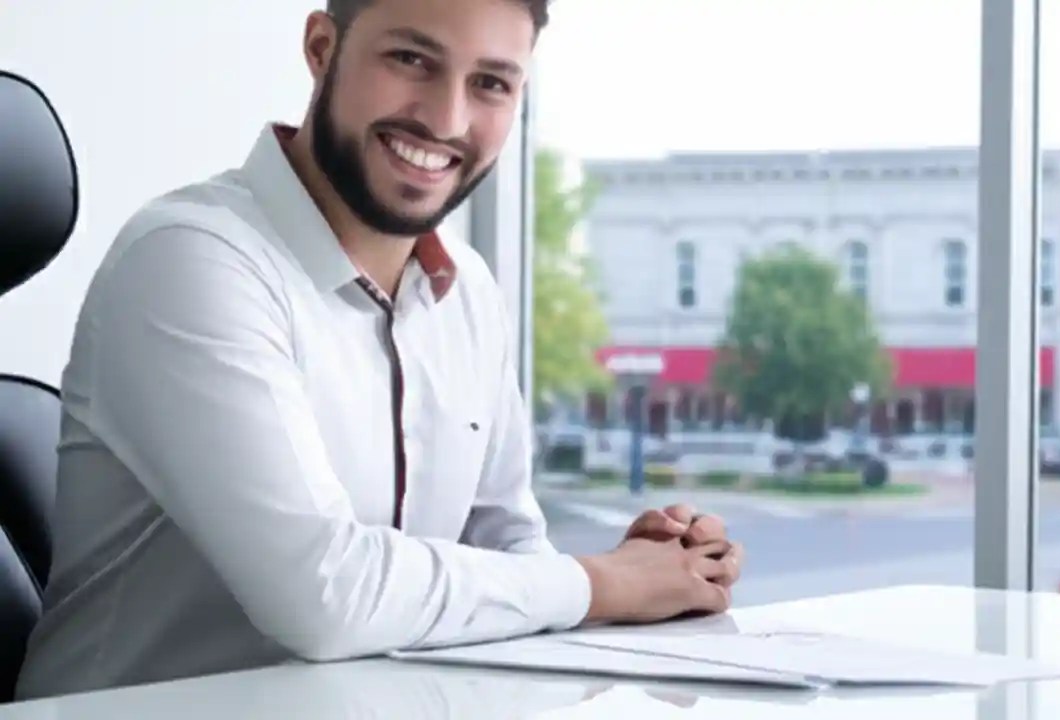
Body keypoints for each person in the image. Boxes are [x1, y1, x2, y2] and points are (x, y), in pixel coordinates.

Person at [16, 0, 744, 700]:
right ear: (321, 50)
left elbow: (506, 551)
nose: (448, 118)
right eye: (411, 59)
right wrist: (605, 582)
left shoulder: (469, 294)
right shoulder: (190, 262)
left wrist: (654, 574)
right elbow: (322, 594)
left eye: (490, 83)